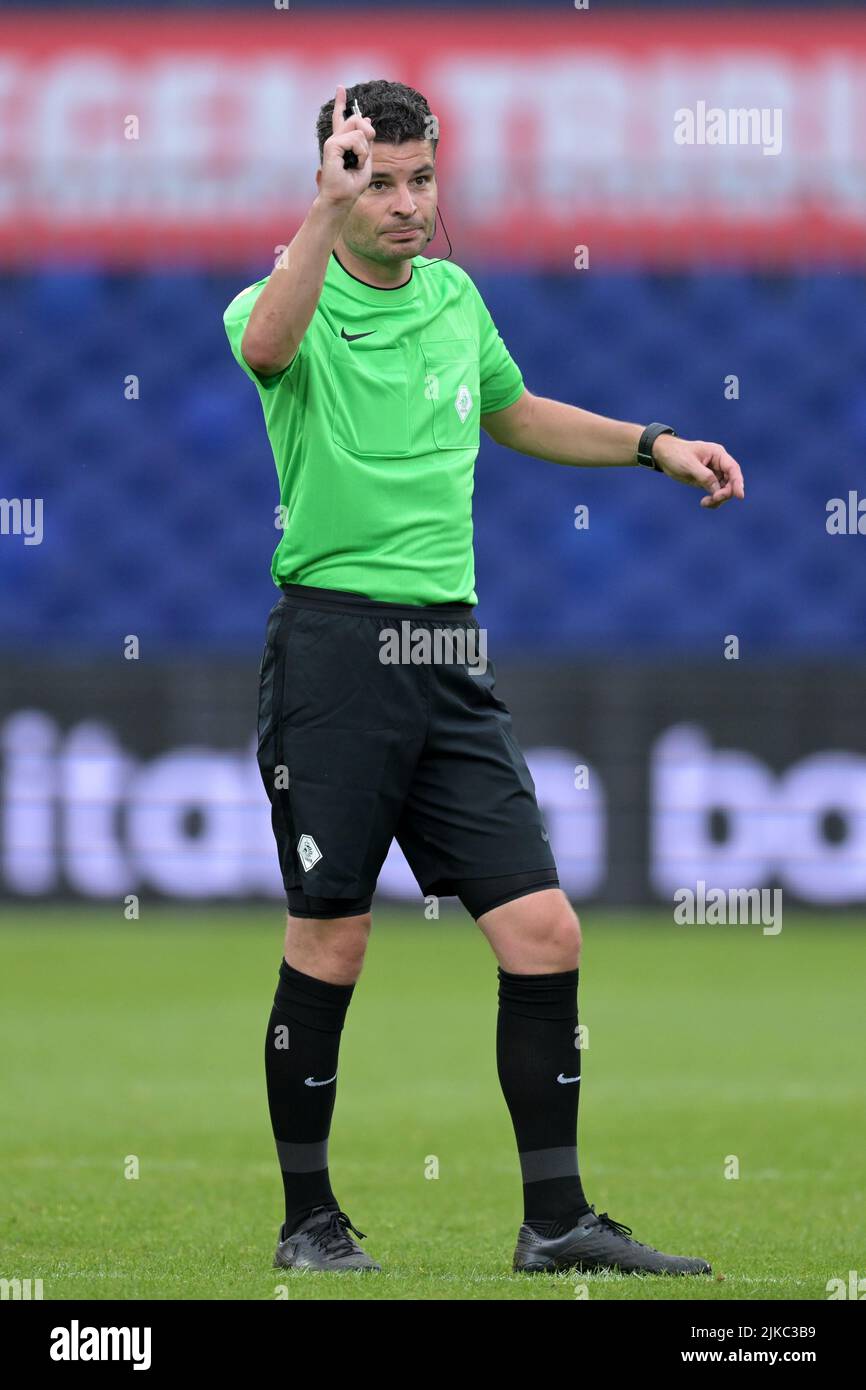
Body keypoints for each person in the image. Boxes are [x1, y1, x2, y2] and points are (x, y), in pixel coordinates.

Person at [223, 79, 744, 1277]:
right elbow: (264, 347)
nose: (404, 205)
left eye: (419, 181)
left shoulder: (454, 297)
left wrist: (652, 445)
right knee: (332, 941)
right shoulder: (283, 297)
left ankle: (554, 1222)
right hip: (333, 650)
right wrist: (322, 207)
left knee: (543, 929)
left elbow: (512, 414)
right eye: (377, 179)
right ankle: (310, 1221)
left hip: (446, 651)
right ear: (333, 178)